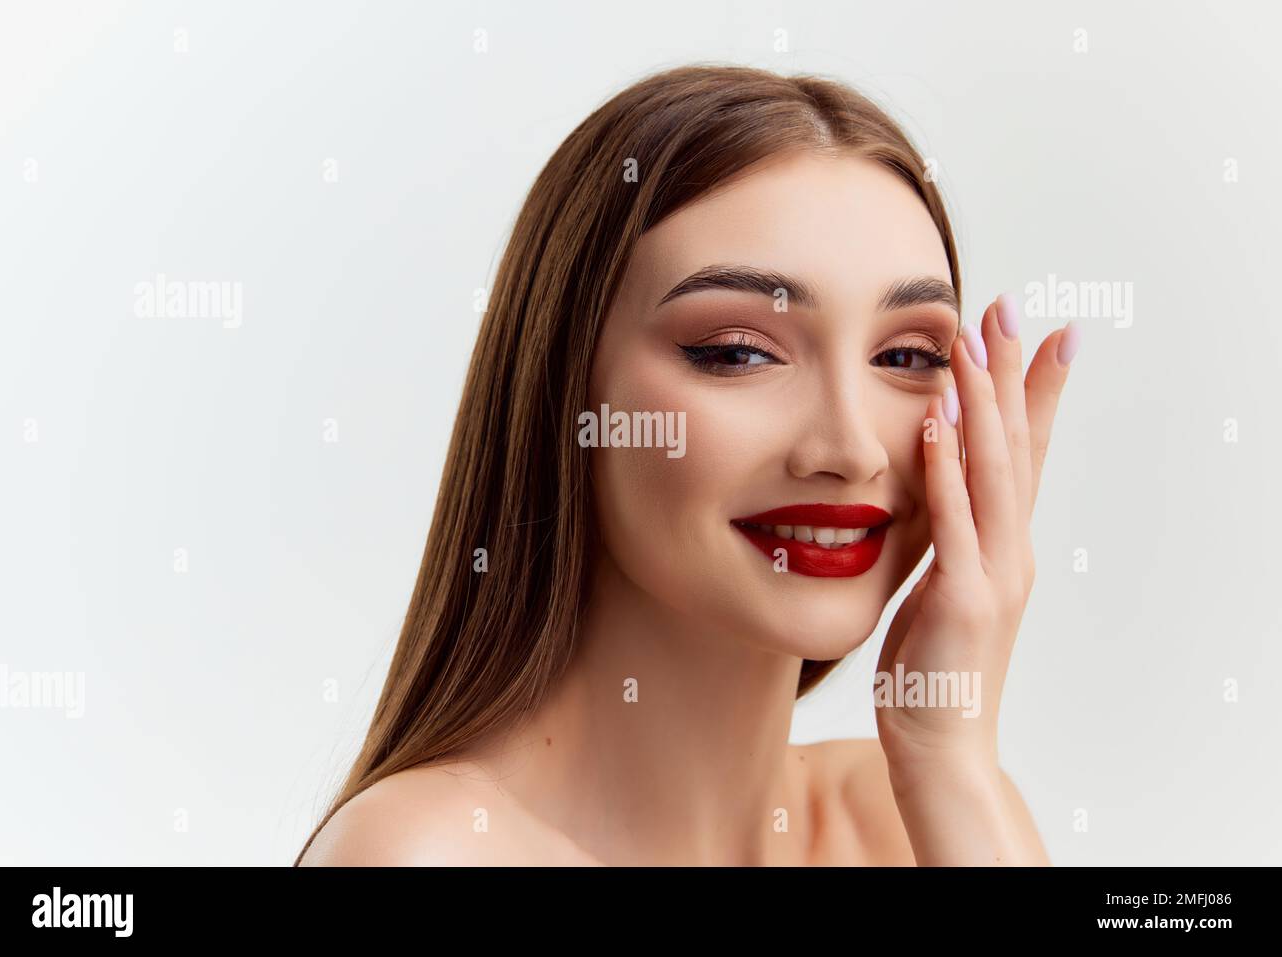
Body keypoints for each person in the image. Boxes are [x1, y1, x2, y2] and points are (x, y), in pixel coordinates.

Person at [296, 63, 1080, 866]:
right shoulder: (431, 853)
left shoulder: (904, 811)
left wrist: (948, 751)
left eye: (909, 354)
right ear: (569, 393)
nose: (849, 448)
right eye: (738, 352)